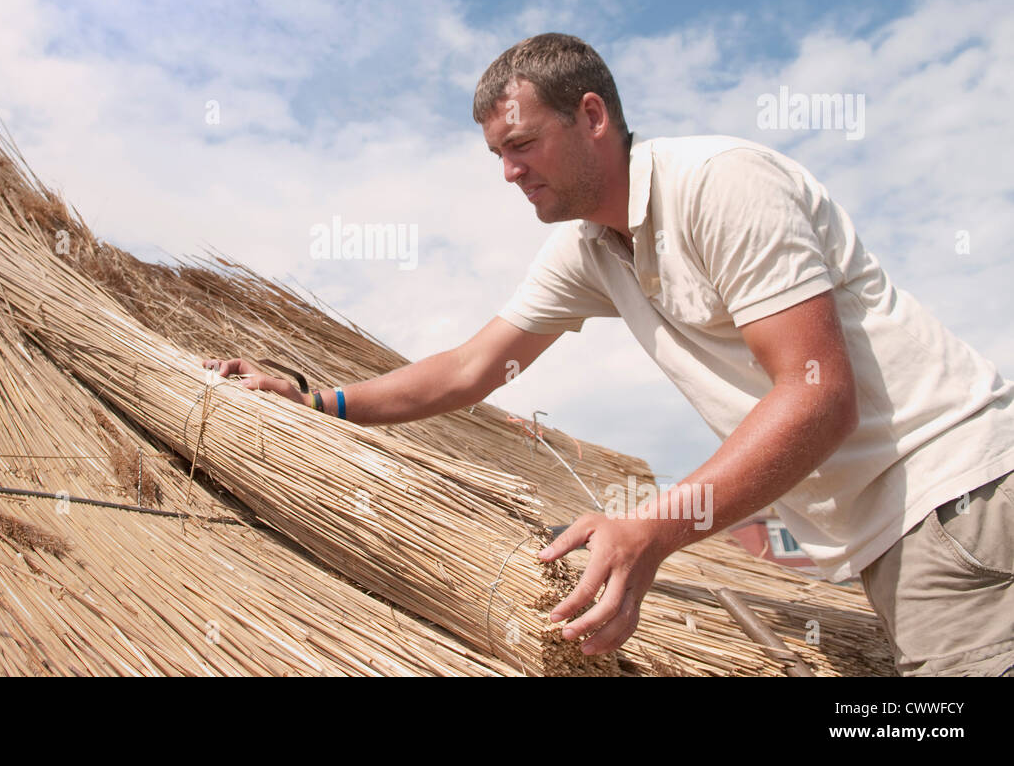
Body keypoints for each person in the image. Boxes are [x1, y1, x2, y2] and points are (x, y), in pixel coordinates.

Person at [204, 33, 1014, 677]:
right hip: (910, 529)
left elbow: (818, 396)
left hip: (953, 497)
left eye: (522, 143)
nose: (510, 172)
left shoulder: (719, 186)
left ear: (592, 115)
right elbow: (468, 368)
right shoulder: (592, 249)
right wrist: (315, 402)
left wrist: (650, 529)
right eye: (497, 156)